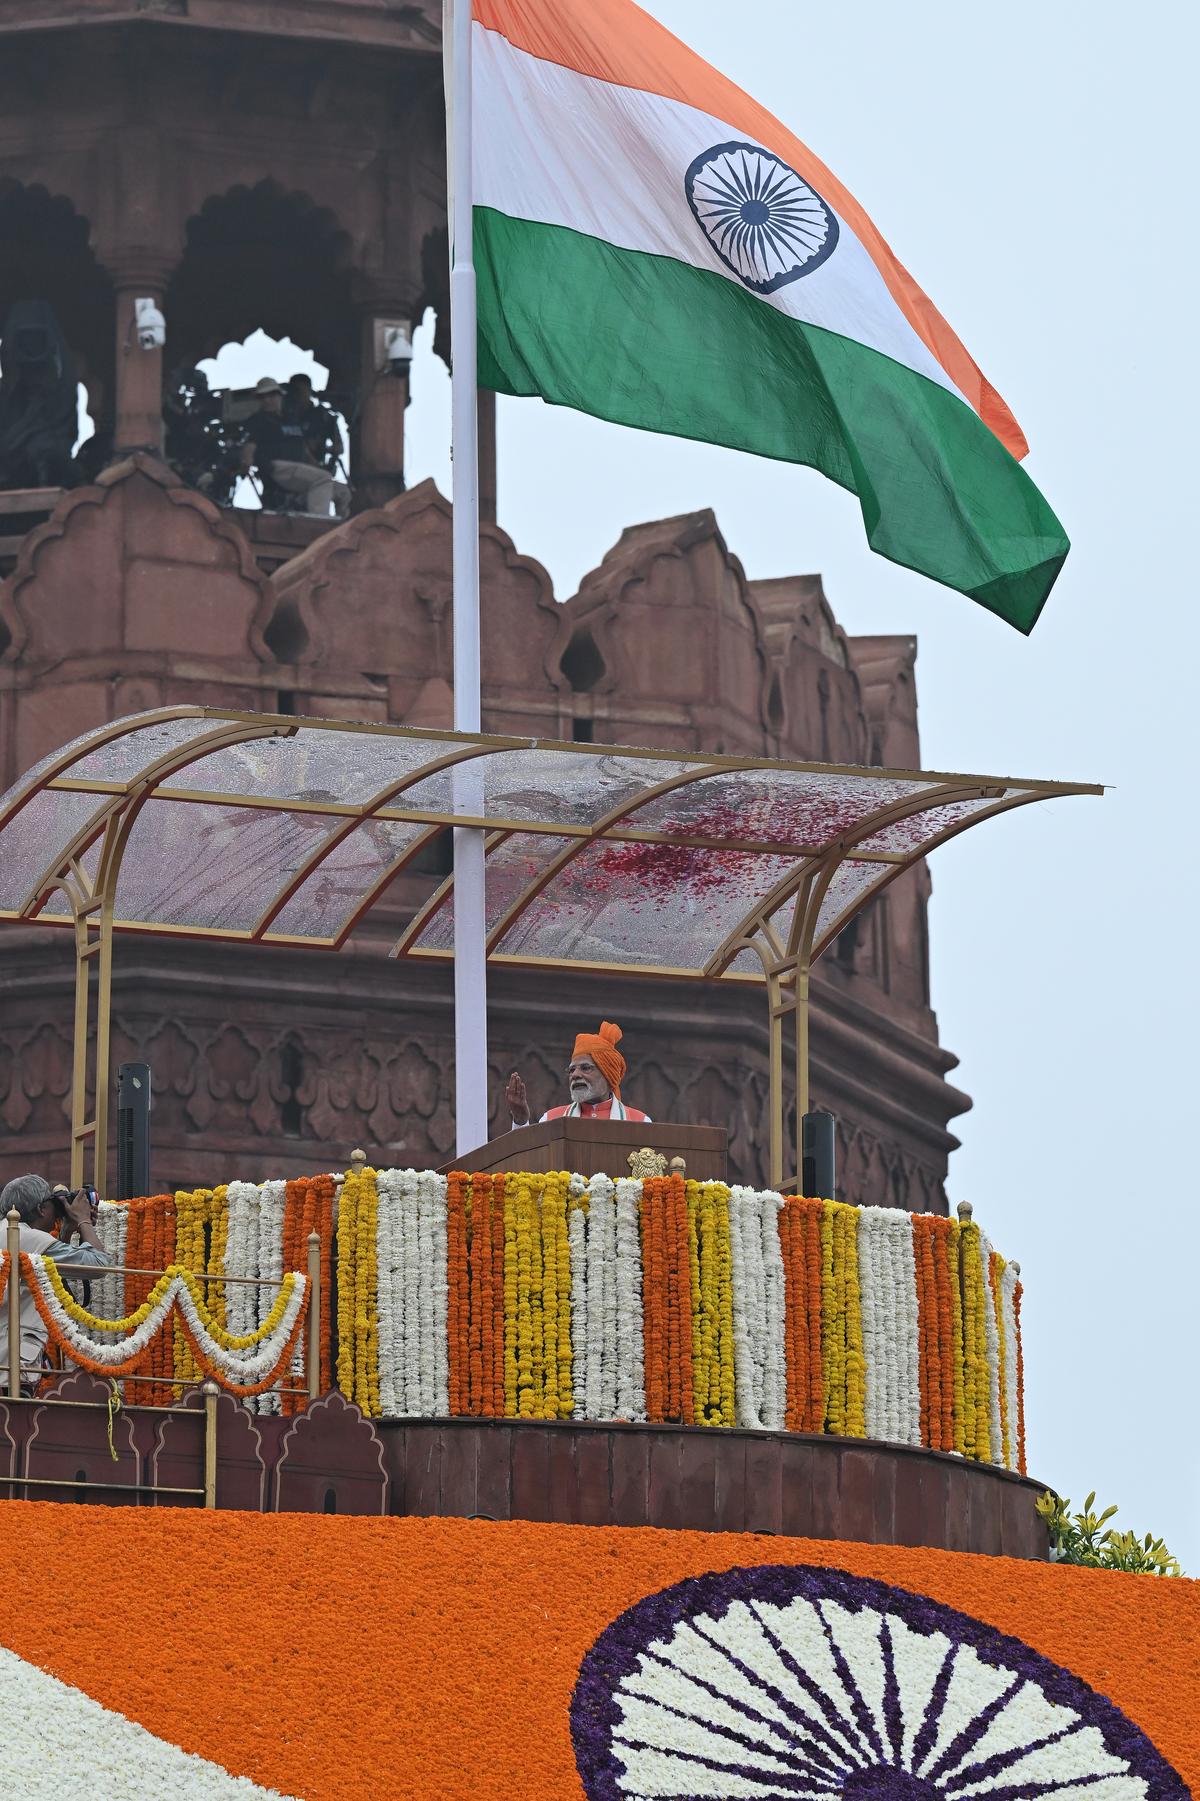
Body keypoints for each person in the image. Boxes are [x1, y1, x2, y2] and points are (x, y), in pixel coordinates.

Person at [0, 1174, 108, 1395]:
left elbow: (49, 1272)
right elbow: (98, 1265)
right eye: (53, 1205)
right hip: (10, 1368)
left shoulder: (10, 1232)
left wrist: (67, 1229)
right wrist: (83, 1220)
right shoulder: (26, 1237)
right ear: (41, 1209)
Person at [505, 1021, 651, 1128]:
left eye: (585, 1068)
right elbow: (531, 1164)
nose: (575, 1075)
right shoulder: (551, 1119)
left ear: (608, 1075)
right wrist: (521, 1121)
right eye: (572, 1070)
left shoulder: (640, 1122)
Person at [240, 376, 349, 518]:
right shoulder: (258, 420)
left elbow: (302, 449)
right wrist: (245, 464)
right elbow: (249, 448)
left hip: (298, 470)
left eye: (272, 395)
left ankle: (341, 532)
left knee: (343, 492)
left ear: (280, 395)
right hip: (279, 468)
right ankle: (318, 524)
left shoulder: (290, 418)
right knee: (322, 479)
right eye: (262, 397)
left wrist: (317, 466)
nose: (267, 400)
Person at [283, 372, 344, 474]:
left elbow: (339, 448)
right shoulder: (284, 416)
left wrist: (322, 448)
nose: (298, 395)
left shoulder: (323, 416)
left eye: (301, 391)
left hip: (314, 471)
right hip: (289, 471)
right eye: (295, 391)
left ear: (309, 390)